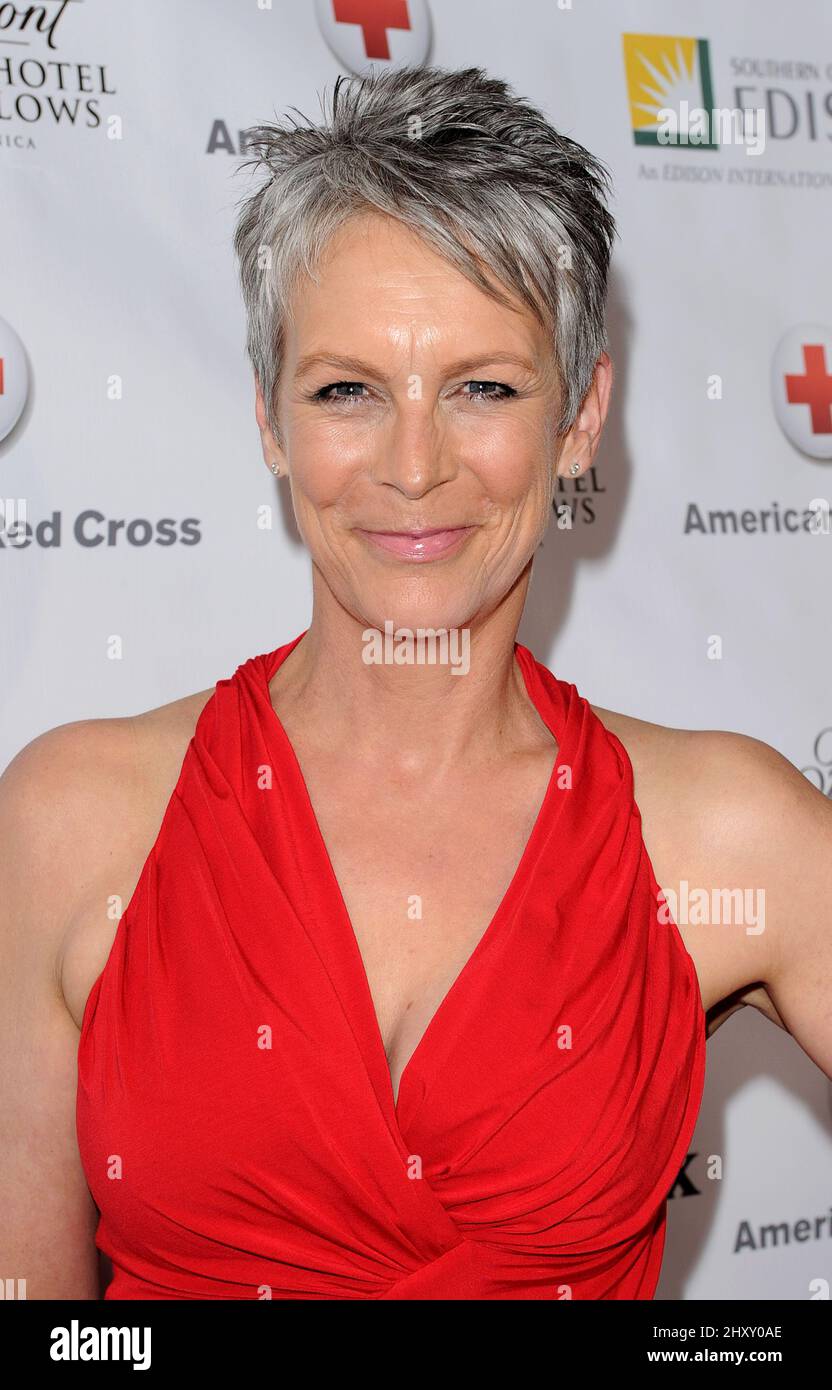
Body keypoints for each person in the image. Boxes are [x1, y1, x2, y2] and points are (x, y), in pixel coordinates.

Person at [2, 65, 830, 1301]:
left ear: (580, 419)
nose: (412, 465)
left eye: (482, 388)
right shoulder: (74, 816)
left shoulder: (729, 832)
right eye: (346, 391)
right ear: (272, 423)